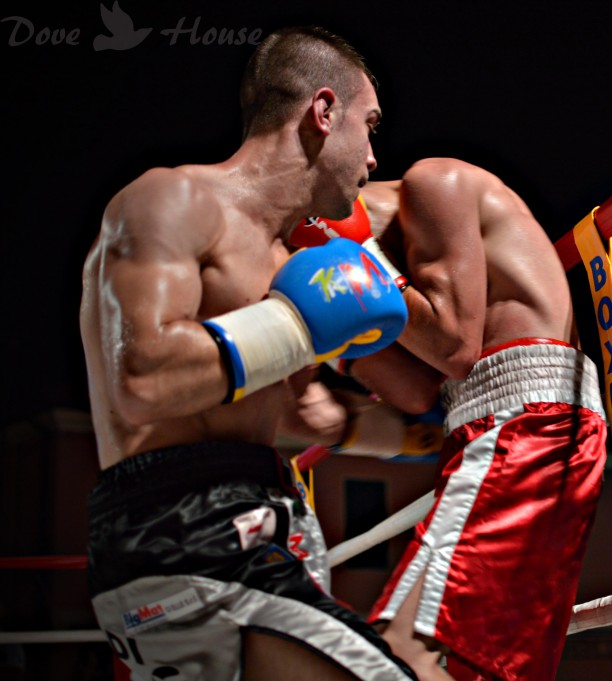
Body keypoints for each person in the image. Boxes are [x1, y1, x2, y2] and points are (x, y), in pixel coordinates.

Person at [79, 26, 432, 681]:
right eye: (370, 124)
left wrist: (419, 434)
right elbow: (143, 376)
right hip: (190, 531)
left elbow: (296, 411)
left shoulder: (281, 259)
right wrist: (299, 326)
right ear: (322, 112)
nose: (374, 157)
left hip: (245, 528)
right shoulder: (176, 199)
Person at [349, 158, 609, 681]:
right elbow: (416, 389)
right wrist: (336, 322)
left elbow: (456, 351)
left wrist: (364, 267)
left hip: (527, 421)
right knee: (478, 668)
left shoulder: (434, 183)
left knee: (402, 651)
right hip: (495, 429)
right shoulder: (392, 257)